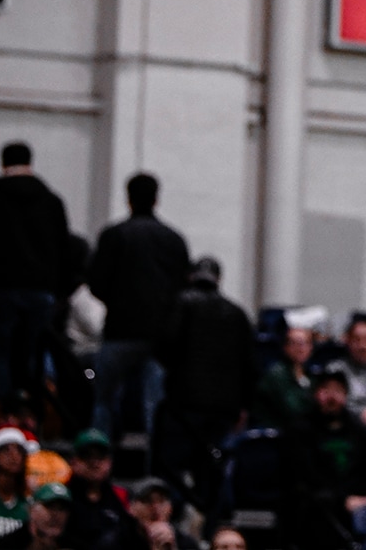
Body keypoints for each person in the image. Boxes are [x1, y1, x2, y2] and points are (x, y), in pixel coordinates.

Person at [0, 143, 72, 402]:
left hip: (3, 284)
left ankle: (2, 409)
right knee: (34, 350)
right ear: (30, 163)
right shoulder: (51, 200)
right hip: (42, 288)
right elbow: (65, 245)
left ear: (3, 163)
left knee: (1, 350)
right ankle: (33, 409)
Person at [87, 173, 190, 440]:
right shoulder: (173, 239)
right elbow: (182, 289)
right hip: (161, 338)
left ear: (128, 198)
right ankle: (155, 470)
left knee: (104, 401)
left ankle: (100, 458)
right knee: (154, 407)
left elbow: (96, 282)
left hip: (120, 330)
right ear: (157, 198)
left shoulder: (114, 235)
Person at [154, 255, 255, 512]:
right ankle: (210, 528)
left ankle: (173, 523)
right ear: (219, 279)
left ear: (191, 276)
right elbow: (251, 366)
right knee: (212, 473)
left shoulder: (181, 304)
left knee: (173, 470)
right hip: (223, 411)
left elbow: (165, 347)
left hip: (183, 407)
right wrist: (242, 405)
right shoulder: (238, 313)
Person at [289, 364, 366, 549]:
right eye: (326, 390)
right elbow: (304, 476)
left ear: (346, 396)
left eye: (338, 391)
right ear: (316, 394)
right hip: (316, 505)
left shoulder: (361, 431)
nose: (332, 397)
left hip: (359, 502)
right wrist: (342, 500)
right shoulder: (299, 430)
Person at [62, 429, 129, 548]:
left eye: (100, 457)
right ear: (73, 462)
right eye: (86, 456)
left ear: (109, 462)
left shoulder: (120, 497)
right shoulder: (61, 497)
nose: (94, 463)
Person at [92, 477, 199, 550]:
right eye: (147, 500)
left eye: (161, 501)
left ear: (170, 507)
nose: (155, 508)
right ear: (131, 508)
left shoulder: (185, 544)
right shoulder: (113, 543)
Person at [252, 324, 315, 430]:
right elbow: (293, 409)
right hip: (277, 432)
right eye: (294, 343)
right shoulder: (276, 374)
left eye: (304, 343)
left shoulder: (310, 374)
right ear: (285, 347)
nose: (300, 348)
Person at [0, 484, 73, 550]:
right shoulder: (9, 544)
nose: (55, 514)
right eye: (49, 506)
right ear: (31, 509)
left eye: (61, 509)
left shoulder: (75, 544)